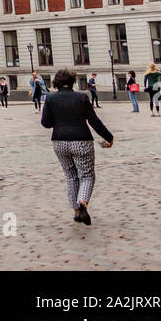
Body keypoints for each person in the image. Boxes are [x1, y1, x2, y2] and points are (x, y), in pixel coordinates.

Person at [41, 68, 114, 225]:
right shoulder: (81, 97)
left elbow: (46, 124)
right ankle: (82, 203)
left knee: (70, 176)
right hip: (82, 141)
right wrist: (109, 137)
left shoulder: (50, 99)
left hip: (60, 142)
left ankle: (76, 212)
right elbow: (94, 121)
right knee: (87, 175)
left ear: (56, 83)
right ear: (73, 81)